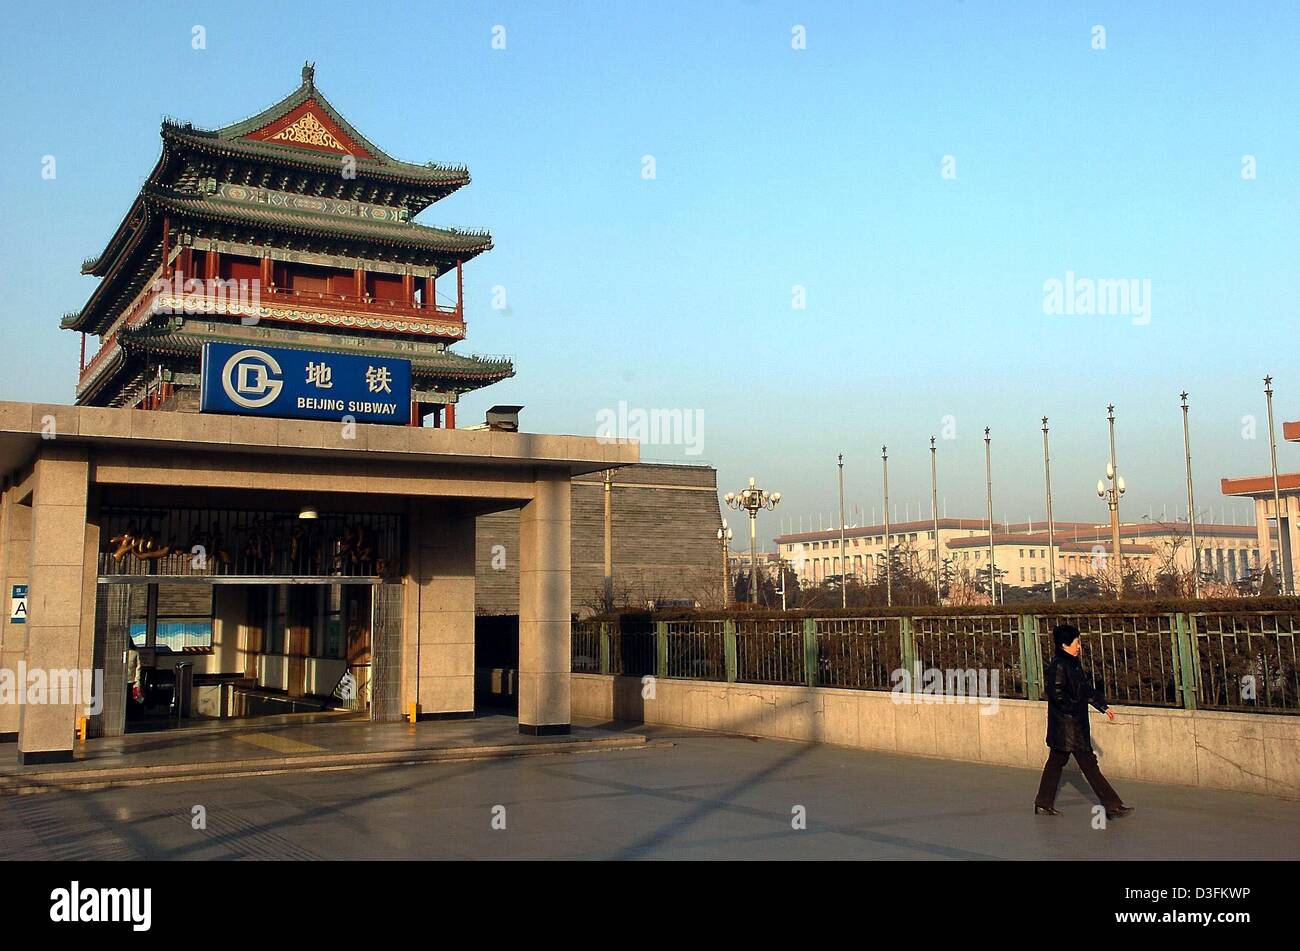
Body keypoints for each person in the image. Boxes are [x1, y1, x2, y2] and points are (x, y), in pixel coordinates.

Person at [1034, 624, 1134, 819]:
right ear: (1065, 644)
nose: (1079, 646)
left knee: (1056, 763)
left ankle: (1043, 803)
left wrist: (1103, 707)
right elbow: (1056, 694)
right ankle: (1112, 805)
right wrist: (1075, 706)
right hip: (1069, 727)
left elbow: (1086, 690)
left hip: (1071, 726)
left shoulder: (1072, 663)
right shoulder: (1059, 665)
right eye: (1076, 642)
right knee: (1088, 765)